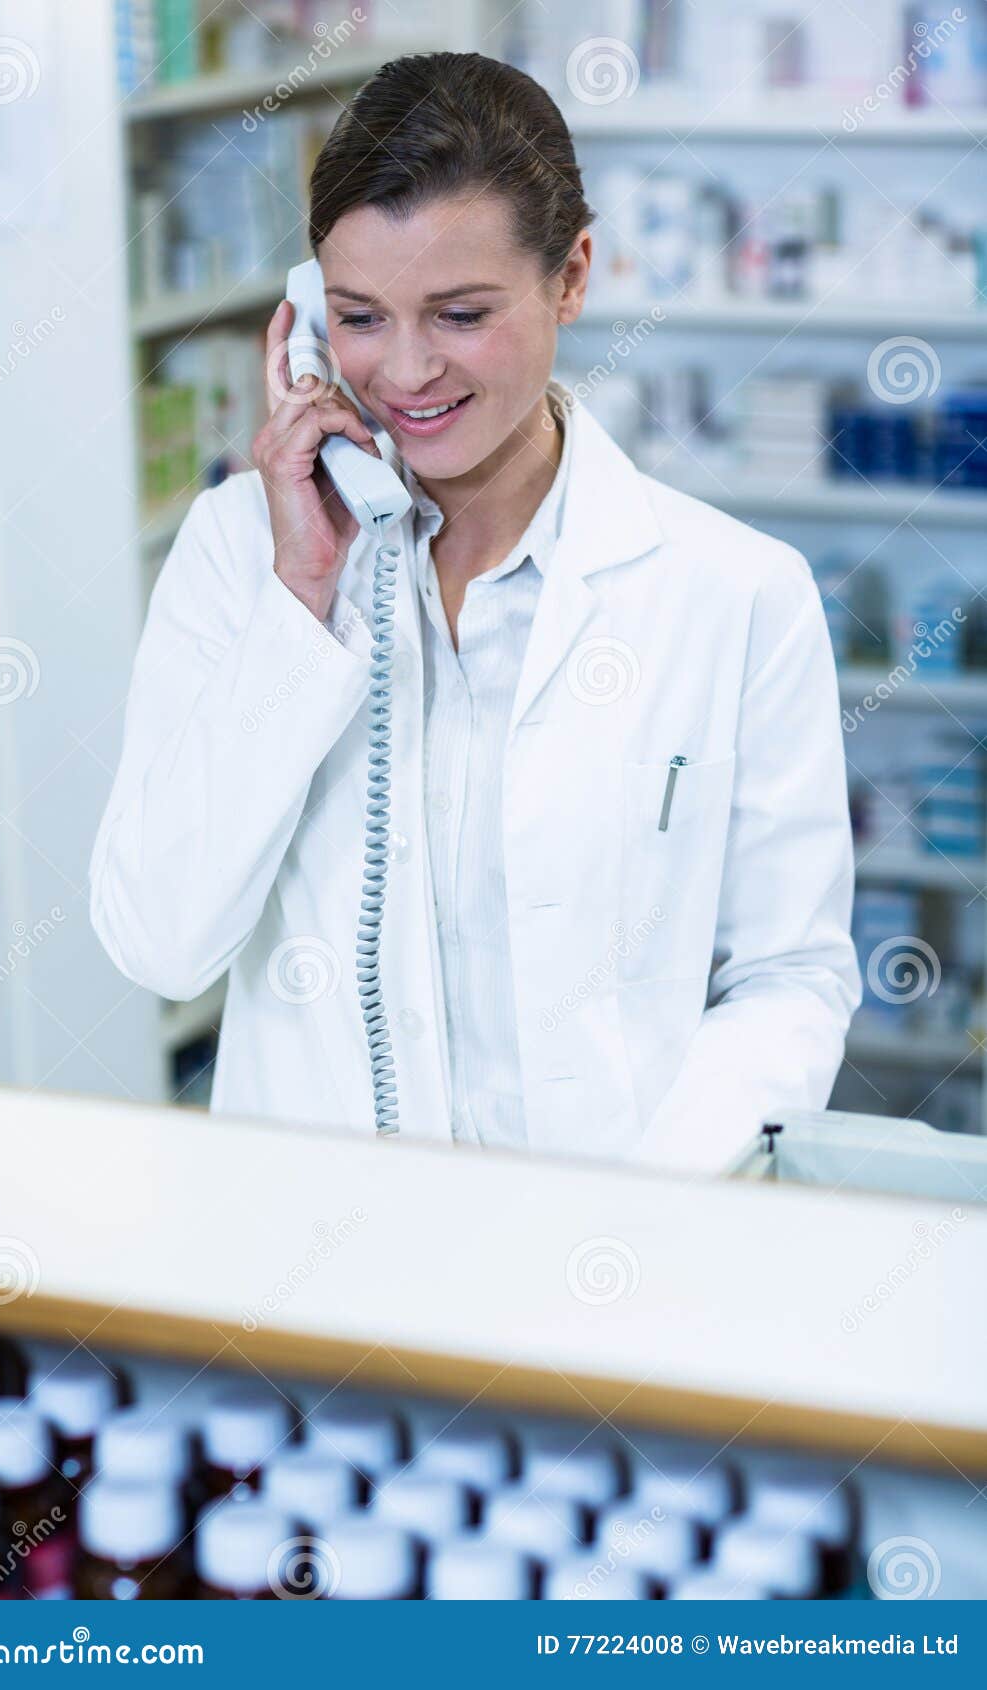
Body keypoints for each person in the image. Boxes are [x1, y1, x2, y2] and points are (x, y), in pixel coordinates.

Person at [90, 51, 861, 1173]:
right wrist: (302, 605)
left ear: (571, 277)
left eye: (458, 313)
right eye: (356, 315)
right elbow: (160, 942)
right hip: (306, 1260)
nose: (405, 371)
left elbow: (788, 978)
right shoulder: (237, 556)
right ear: (303, 319)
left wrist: (648, 1202)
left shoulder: (734, 593)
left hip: (614, 1257)